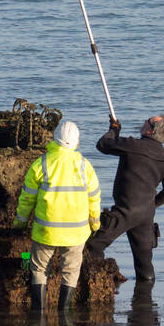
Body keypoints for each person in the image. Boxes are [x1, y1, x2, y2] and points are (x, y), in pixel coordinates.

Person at [14, 119, 101, 312]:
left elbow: (27, 199)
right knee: (70, 271)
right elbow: (94, 199)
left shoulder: (41, 164)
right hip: (76, 233)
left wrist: (19, 223)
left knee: (38, 269)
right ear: (77, 142)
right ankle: (64, 313)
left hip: (46, 231)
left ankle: (39, 314)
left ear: (54, 139)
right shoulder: (85, 166)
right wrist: (95, 224)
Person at [89, 115, 164, 284]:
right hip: (146, 215)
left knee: (94, 244)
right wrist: (152, 204)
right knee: (144, 263)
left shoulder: (133, 146)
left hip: (125, 210)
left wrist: (114, 130)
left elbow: (103, 144)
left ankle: (95, 282)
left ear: (150, 130)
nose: (143, 121)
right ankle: (146, 300)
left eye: (147, 120)